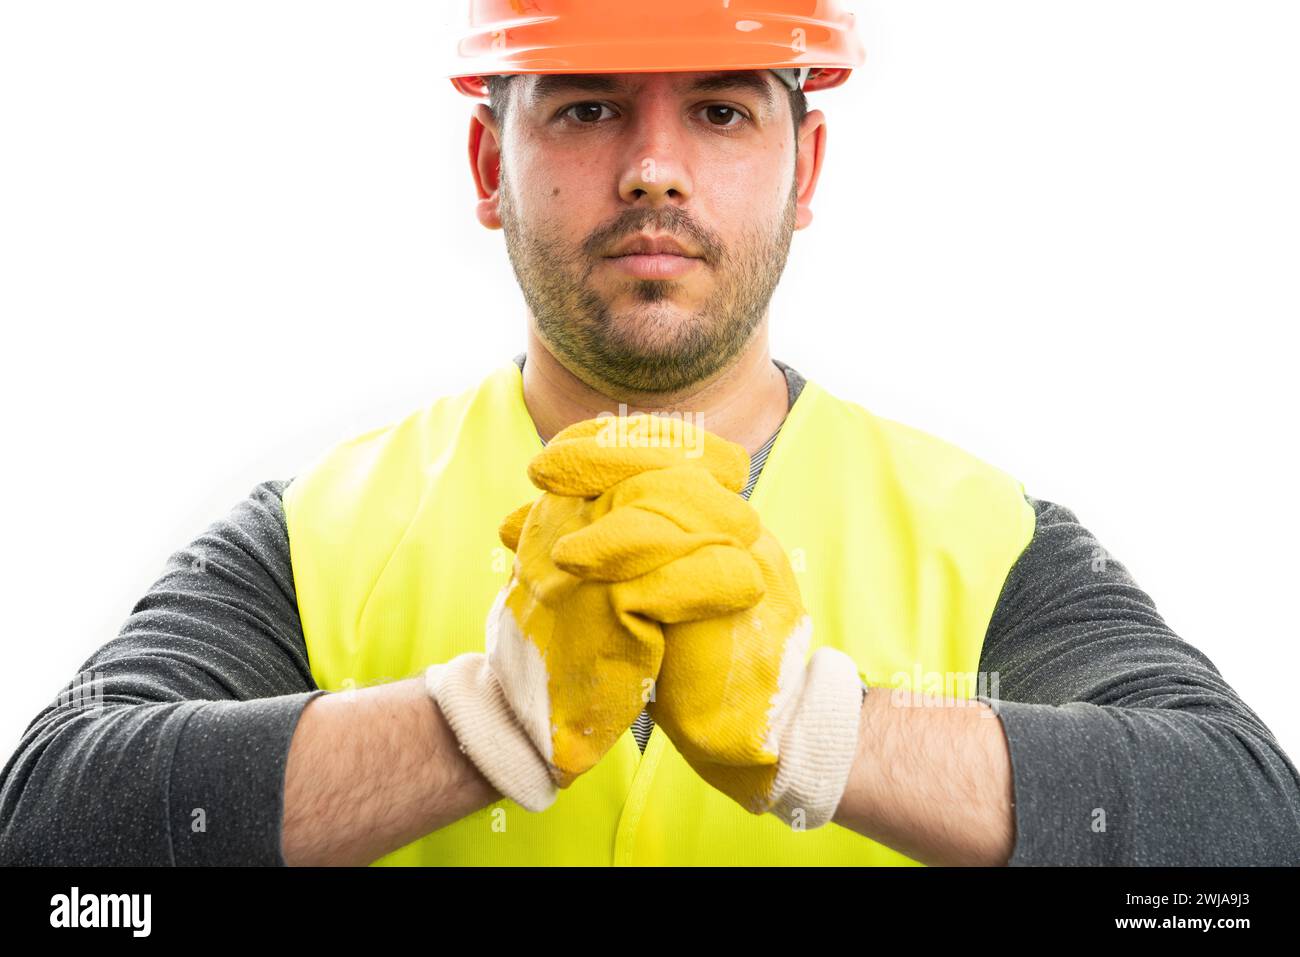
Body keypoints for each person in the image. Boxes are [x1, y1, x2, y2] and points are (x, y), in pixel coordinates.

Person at [2, 0, 1298, 867]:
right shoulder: (312, 536)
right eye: (585, 106)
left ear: (805, 170)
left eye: (724, 110)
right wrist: (480, 722)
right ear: (485, 163)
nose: (653, 167)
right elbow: (51, 836)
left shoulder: (987, 538)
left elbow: (1249, 826)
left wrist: (822, 730)